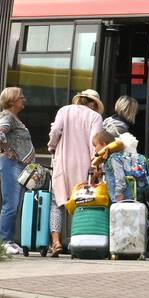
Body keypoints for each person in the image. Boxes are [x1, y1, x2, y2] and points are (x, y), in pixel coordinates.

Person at [47, 89, 104, 256]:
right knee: (80, 203)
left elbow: (55, 131)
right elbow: (96, 142)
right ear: (93, 103)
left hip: (62, 163)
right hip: (83, 165)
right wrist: (96, 166)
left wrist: (52, 146)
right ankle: (75, 241)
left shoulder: (64, 110)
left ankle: (56, 242)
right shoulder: (95, 117)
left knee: (56, 203)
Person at [0, 86, 34, 256]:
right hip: (10, 165)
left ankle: (9, 240)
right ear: (12, 101)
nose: (23, 100)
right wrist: (6, 149)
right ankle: (3, 241)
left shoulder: (13, 117)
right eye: (20, 97)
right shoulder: (7, 116)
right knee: (10, 204)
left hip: (16, 165)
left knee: (14, 204)